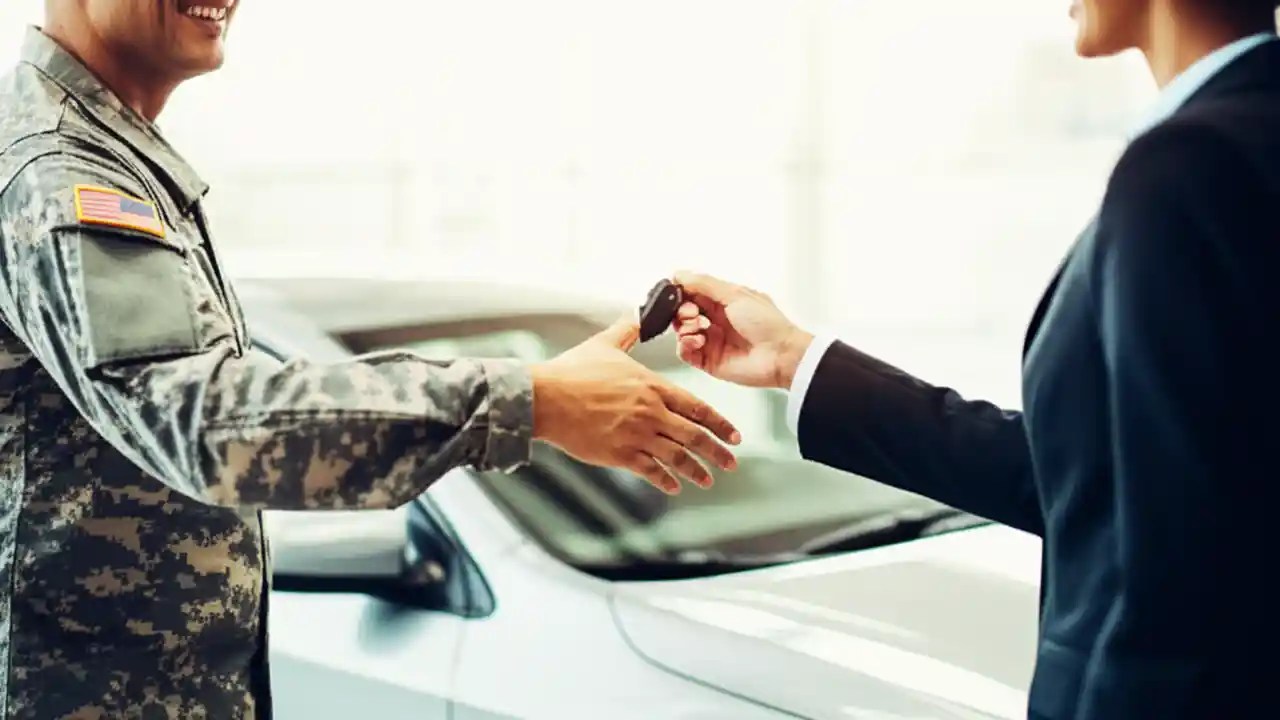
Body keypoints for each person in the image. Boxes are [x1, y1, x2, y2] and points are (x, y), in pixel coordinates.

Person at [0, 2, 741, 718]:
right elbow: (207, 424)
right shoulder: (61, 172)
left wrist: (546, 386)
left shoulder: (111, 158)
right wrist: (529, 400)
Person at [671, 1, 1280, 719]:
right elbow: (1086, 482)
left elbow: (1179, 583)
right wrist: (796, 360)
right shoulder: (1246, 138)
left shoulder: (1187, 167)